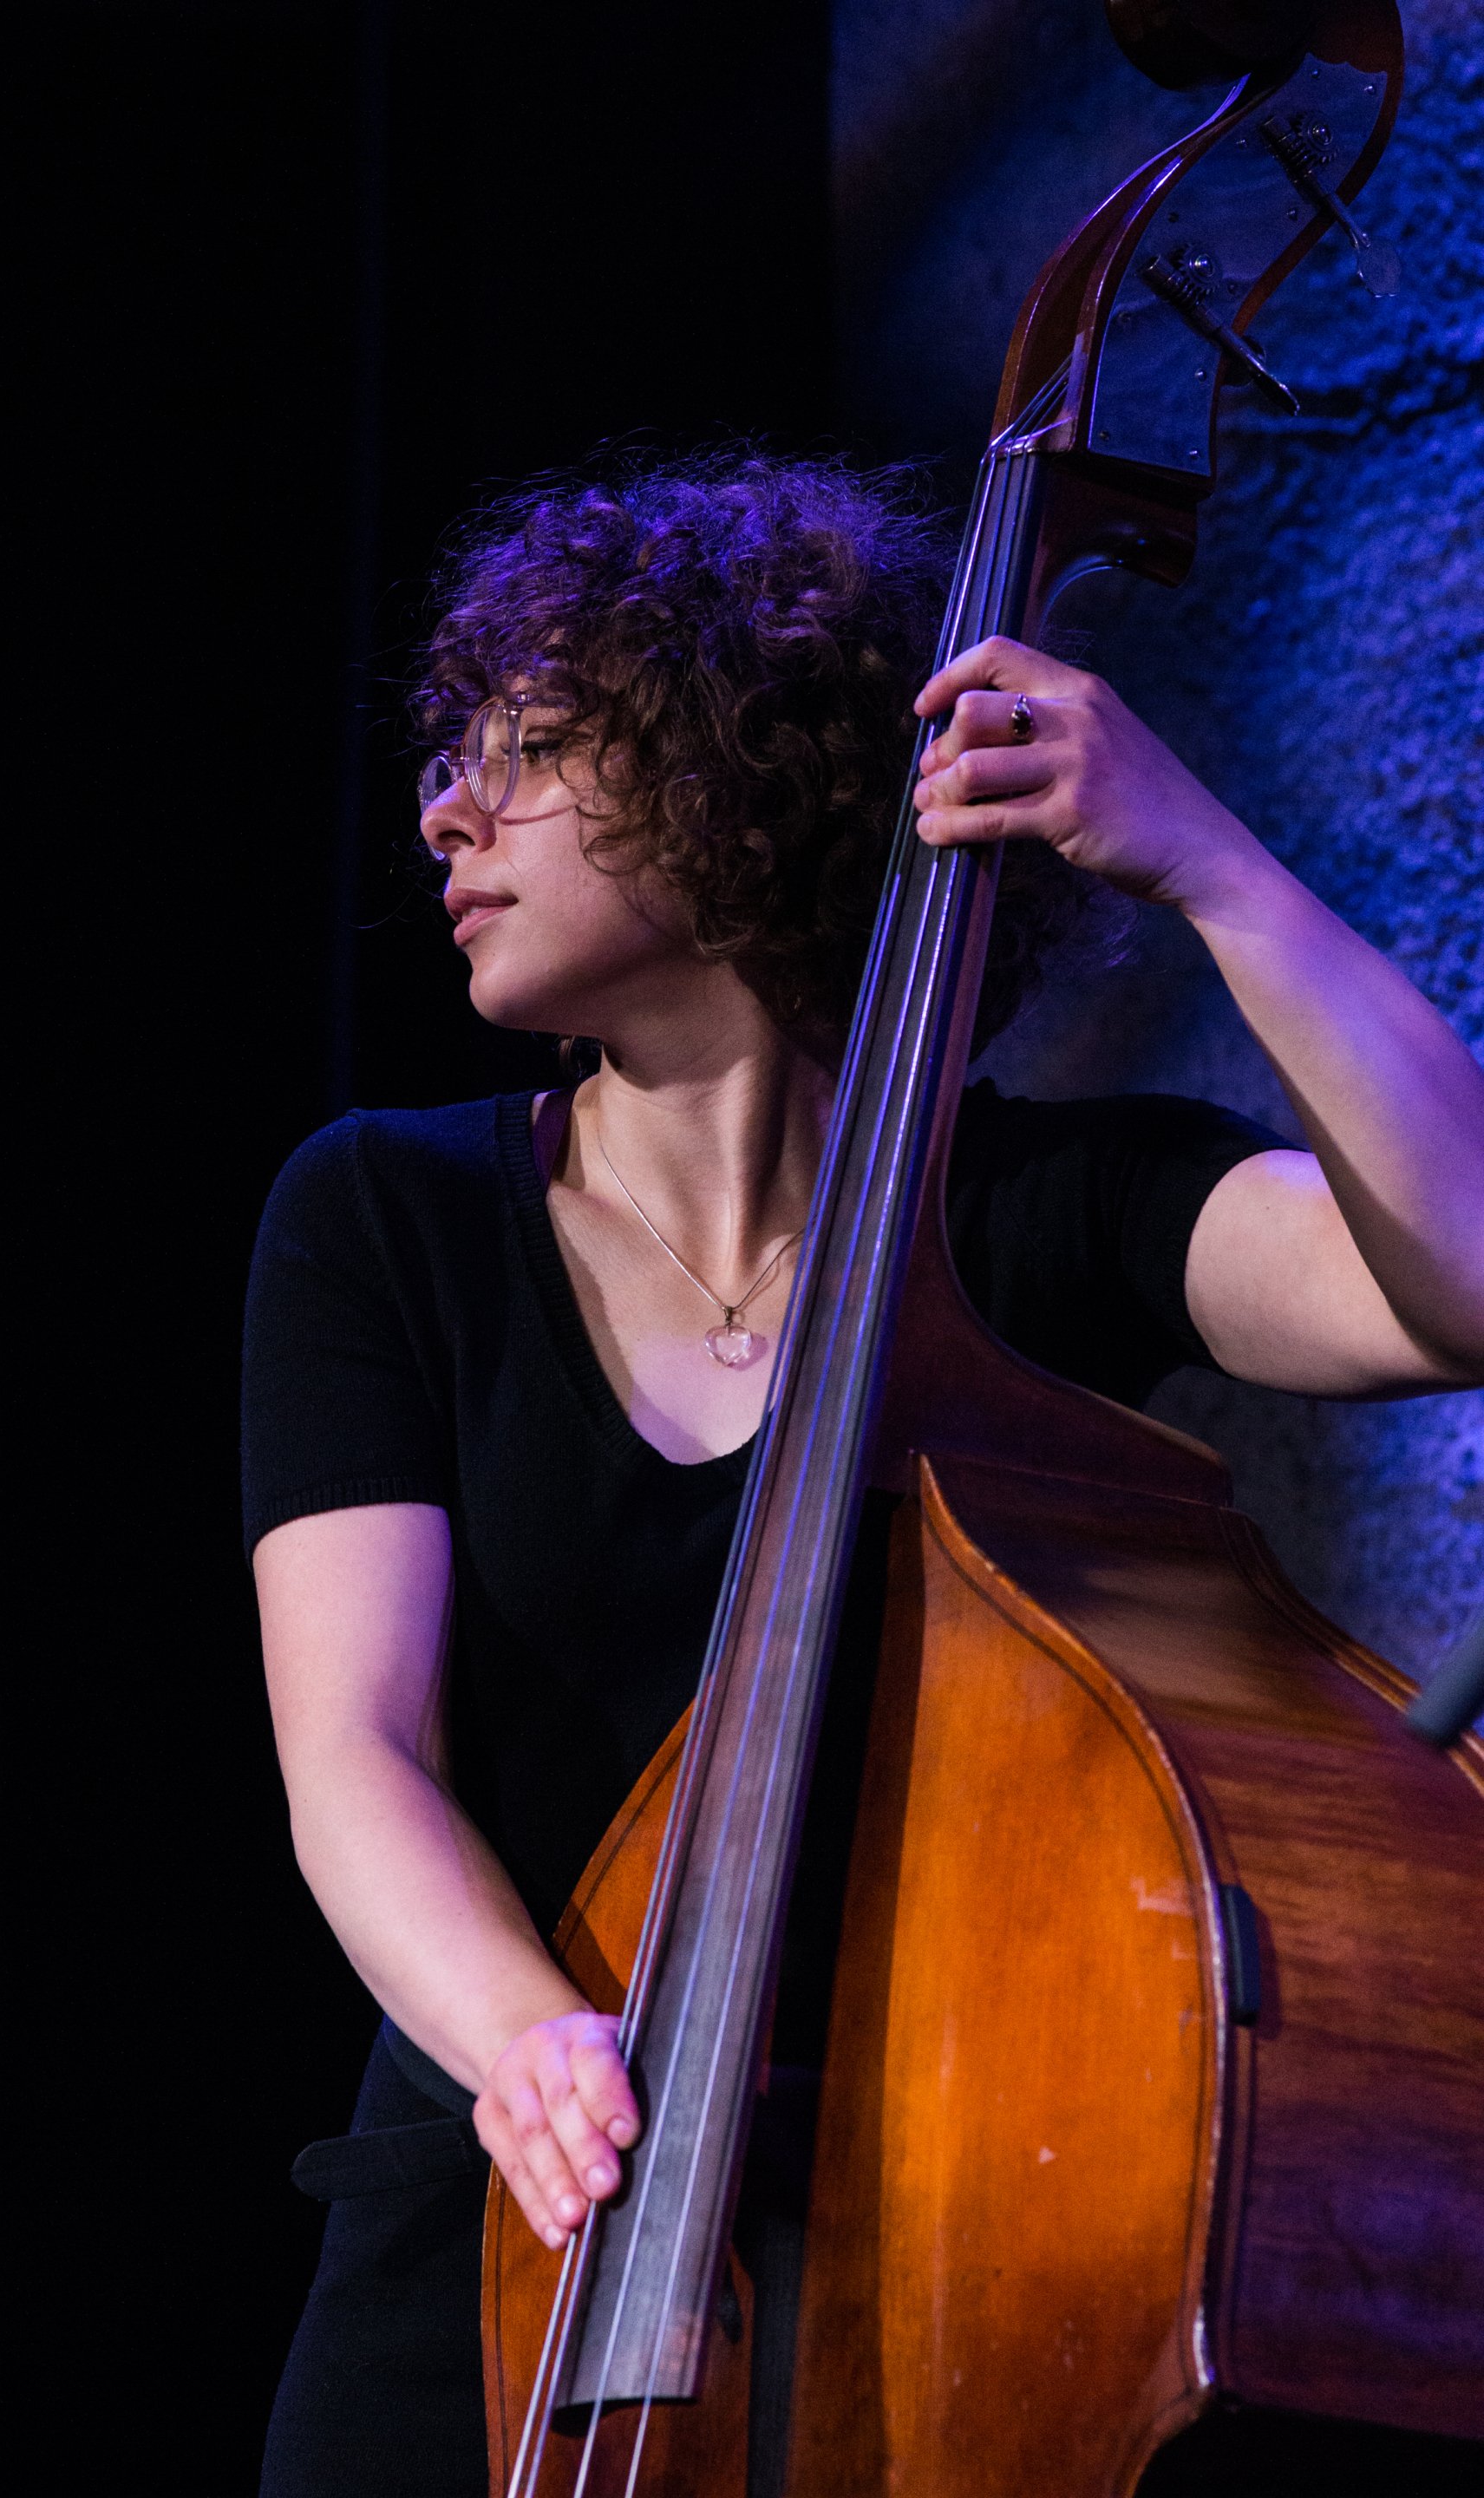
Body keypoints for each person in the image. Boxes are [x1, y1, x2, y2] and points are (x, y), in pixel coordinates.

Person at [241, 457, 1484, 2496]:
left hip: (931, 2274)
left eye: (533, 747)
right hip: (492, 2253)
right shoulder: (384, 1223)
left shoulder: (1028, 1216)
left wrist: (1213, 869)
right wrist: (534, 2044)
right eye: (451, 756)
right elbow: (353, 1750)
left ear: (746, 785)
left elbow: (1462, 1279)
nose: (448, 810)